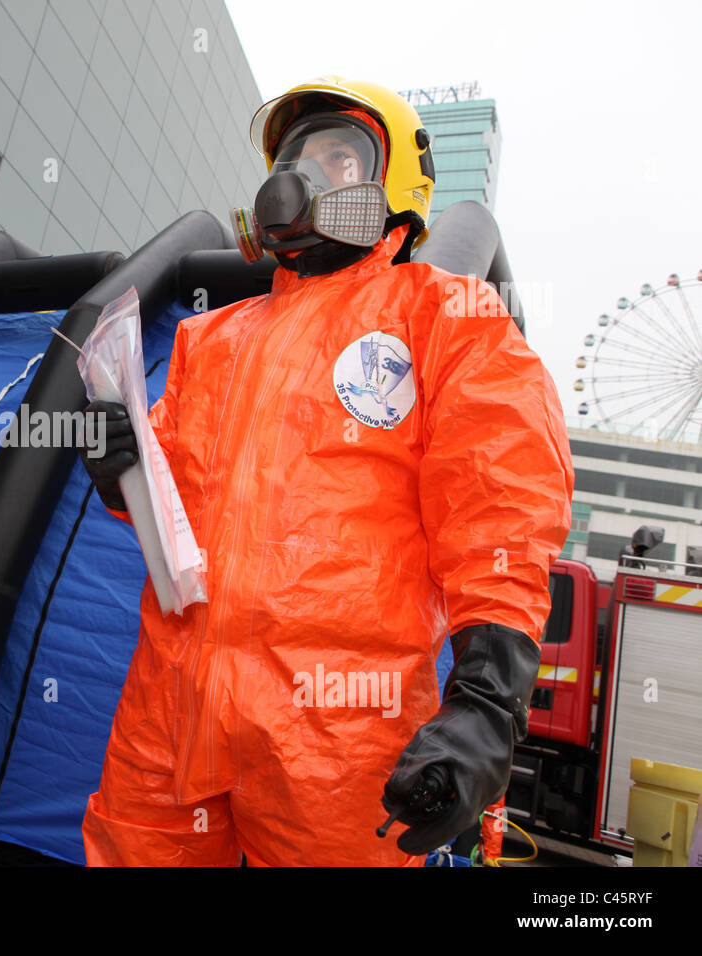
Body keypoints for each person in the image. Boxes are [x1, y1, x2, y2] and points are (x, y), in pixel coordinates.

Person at [78, 77, 574, 866]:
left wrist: (485, 703)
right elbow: (166, 503)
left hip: (337, 739)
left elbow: (499, 516)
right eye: (297, 155)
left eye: (341, 156)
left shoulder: (448, 321)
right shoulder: (213, 339)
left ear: (394, 185)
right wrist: (119, 467)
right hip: (170, 712)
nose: (305, 175)